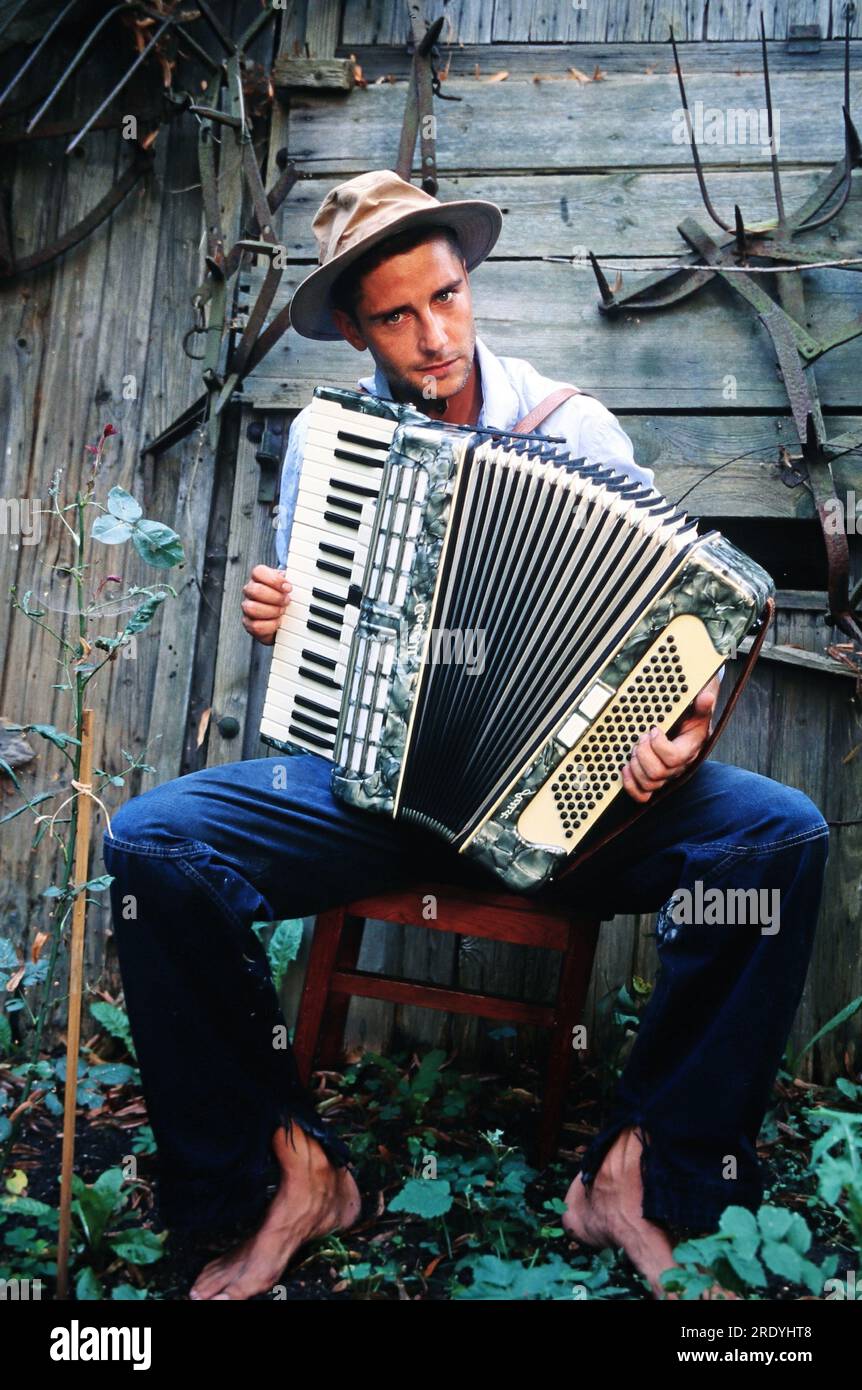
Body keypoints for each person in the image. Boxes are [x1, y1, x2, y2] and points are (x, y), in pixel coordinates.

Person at [102, 170, 829, 1301]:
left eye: (446, 296)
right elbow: (315, 684)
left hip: (568, 808)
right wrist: (290, 628)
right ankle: (282, 1174)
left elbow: (677, 628)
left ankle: (641, 1173)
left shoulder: (569, 425)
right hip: (375, 801)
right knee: (151, 848)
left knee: (777, 842)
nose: (433, 334)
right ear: (354, 325)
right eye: (397, 314)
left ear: (468, 279)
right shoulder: (328, 444)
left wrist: (671, 730)